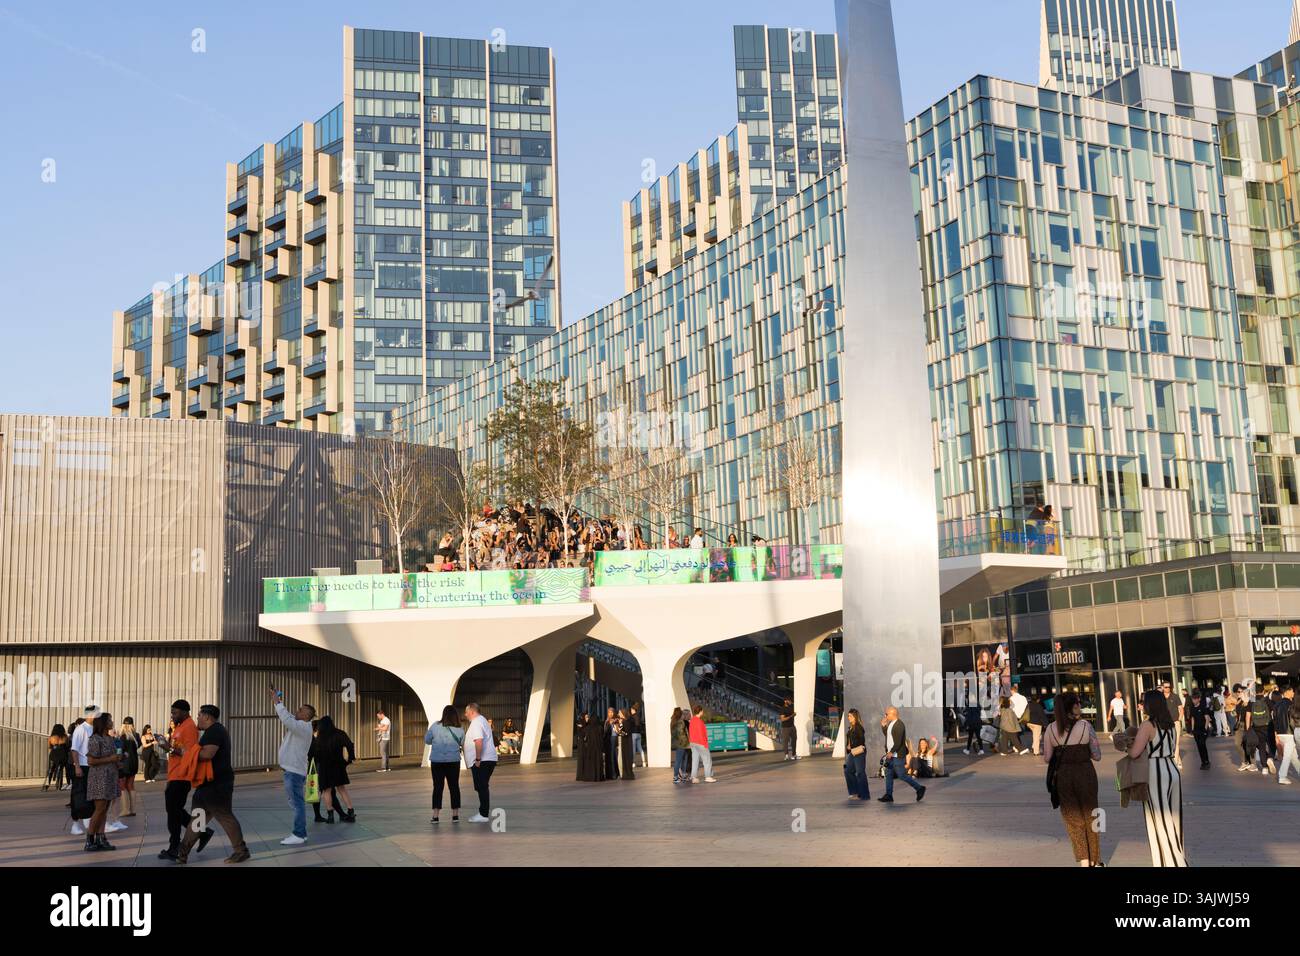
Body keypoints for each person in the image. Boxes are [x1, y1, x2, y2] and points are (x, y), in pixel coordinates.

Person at [176, 704, 250, 864]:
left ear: (207, 717)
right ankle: (182, 853)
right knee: (198, 819)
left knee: (224, 816)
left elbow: (207, 754)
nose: (197, 718)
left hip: (217, 784)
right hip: (207, 784)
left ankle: (241, 851)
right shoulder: (213, 731)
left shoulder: (215, 731)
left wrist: (188, 752)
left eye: (199, 715)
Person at [1041, 692, 1102, 866]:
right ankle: (1095, 861)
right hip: (1086, 774)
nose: (1080, 707)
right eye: (1077, 704)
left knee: (1073, 819)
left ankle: (1083, 861)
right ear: (1071, 708)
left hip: (1063, 777)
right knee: (1092, 816)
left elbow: (1047, 758)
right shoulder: (1085, 726)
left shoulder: (1051, 729)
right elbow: (1097, 756)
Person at [1127, 689, 1187, 867]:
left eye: (1144, 702)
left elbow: (1135, 752)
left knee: (1160, 819)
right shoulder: (1171, 724)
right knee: (1175, 818)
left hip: (1155, 771)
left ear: (1150, 705)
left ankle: (1174, 863)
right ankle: (1169, 860)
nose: (1142, 705)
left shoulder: (1147, 725)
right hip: (1171, 769)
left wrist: (1125, 745)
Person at [270, 686, 315, 846]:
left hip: (294, 773)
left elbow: (286, 718)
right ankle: (300, 834)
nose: (297, 710)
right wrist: (279, 701)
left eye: (300, 709)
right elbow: (288, 716)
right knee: (297, 803)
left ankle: (299, 834)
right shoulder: (301, 726)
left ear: (306, 716)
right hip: (293, 771)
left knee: (297, 804)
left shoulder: (302, 727)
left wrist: (277, 702)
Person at [157, 699, 200, 861]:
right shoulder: (180, 727)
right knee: (174, 811)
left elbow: (189, 753)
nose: (172, 715)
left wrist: (169, 748)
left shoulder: (189, 727)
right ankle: (201, 831)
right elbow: (177, 748)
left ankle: (174, 847)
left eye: (175, 712)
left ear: (184, 711)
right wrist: (167, 744)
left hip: (182, 776)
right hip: (174, 774)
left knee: (173, 813)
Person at [83, 713, 121, 852]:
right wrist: (111, 759)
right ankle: (90, 839)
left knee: (104, 810)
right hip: (99, 778)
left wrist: (118, 761)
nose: (112, 722)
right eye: (109, 720)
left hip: (110, 777)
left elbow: (111, 757)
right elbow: (91, 761)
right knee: (99, 810)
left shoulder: (109, 738)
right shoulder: (95, 739)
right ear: (103, 723)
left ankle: (101, 837)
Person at [311, 716, 357, 823]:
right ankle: (350, 812)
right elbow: (349, 745)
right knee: (342, 789)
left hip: (324, 767)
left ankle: (330, 816)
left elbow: (315, 753)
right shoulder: (340, 733)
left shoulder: (320, 737)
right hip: (338, 765)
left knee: (326, 791)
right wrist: (349, 759)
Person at [425, 705, 465, 821]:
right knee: (454, 787)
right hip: (453, 761)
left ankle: (435, 816)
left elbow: (427, 740)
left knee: (437, 787)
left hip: (437, 761)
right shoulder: (460, 729)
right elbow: (463, 742)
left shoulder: (435, 726)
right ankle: (455, 815)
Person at [878, 707, 925, 803]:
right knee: (888, 773)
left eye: (887, 714)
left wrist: (891, 752)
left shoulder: (899, 725)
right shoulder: (891, 724)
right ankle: (889, 795)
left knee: (901, 775)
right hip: (891, 754)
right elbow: (888, 736)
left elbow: (898, 742)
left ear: (893, 714)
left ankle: (919, 788)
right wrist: (883, 726)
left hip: (897, 754)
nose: (885, 716)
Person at [464, 702, 498, 822]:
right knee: (481, 786)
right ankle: (483, 813)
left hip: (482, 760)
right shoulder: (482, 720)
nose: (465, 714)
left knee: (482, 787)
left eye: (466, 712)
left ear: (472, 711)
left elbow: (478, 741)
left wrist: (478, 759)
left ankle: (483, 814)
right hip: (488, 759)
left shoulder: (477, 722)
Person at [69, 706, 96, 836]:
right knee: (78, 794)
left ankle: (88, 818)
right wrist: (77, 766)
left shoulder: (95, 729)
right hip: (83, 766)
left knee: (91, 794)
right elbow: (74, 749)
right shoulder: (81, 729)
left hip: (93, 766)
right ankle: (75, 823)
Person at [115, 717, 140, 820]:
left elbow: (119, 751)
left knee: (122, 785)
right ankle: (133, 809)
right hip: (134, 762)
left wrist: (117, 760)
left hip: (125, 763)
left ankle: (125, 810)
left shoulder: (122, 737)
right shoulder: (136, 736)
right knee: (131, 785)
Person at [843, 708, 870, 800]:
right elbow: (849, 741)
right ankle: (854, 792)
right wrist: (848, 747)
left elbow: (862, 741)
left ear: (855, 717)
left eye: (850, 716)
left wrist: (852, 746)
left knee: (860, 773)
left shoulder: (859, 727)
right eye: (848, 716)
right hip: (853, 752)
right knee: (848, 771)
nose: (848, 717)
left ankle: (865, 795)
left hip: (859, 752)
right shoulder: (851, 727)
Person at [1274, 686, 1298, 785]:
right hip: (1290, 733)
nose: (1293, 692)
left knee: (1294, 757)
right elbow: (1295, 720)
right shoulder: (1292, 705)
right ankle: (1282, 776)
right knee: (1287, 756)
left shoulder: (1276, 705)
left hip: (1280, 733)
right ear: (1287, 691)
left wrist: (1276, 735)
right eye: (1292, 690)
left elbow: (1274, 721)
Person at [1186, 689, 1214, 770]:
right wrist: (1192, 729)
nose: (1194, 700)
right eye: (1193, 699)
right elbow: (1193, 719)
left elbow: (1207, 718)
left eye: (1195, 699)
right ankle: (1203, 762)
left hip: (1203, 729)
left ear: (1199, 699)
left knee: (1202, 745)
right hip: (1196, 730)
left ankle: (1207, 761)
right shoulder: (1192, 708)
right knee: (1199, 746)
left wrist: (1205, 729)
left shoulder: (1203, 707)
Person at [688, 705, 716, 783]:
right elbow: (701, 734)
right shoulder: (699, 721)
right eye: (702, 711)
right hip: (700, 743)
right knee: (707, 760)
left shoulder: (692, 720)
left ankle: (694, 777)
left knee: (695, 760)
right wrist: (705, 744)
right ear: (700, 711)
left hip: (693, 743)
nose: (703, 712)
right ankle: (708, 776)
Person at [1161, 682, 1184, 771]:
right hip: (1165, 723)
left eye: (1169, 687)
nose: (1168, 688)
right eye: (1166, 687)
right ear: (1163, 688)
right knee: (1167, 743)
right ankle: (1178, 761)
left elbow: (1181, 708)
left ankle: (1175, 762)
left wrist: (1179, 719)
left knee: (1176, 742)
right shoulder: (1160, 697)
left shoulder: (1175, 696)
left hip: (1175, 722)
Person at [44, 724, 69, 792]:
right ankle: (58, 786)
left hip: (54, 754)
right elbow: (67, 746)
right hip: (62, 754)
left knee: (50, 770)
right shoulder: (65, 737)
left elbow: (49, 747)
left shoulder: (51, 737)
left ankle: (46, 786)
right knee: (60, 769)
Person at [670, 707, 691, 784]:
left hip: (679, 744)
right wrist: (687, 743)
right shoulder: (680, 722)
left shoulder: (674, 721)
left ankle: (683, 775)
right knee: (679, 760)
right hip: (682, 744)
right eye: (682, 714)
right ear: (680, 714)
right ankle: (675, 777)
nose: (683, 715)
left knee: (683, 759)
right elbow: (681, 734)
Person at [1008, 683, 1030, 754]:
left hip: (1014, 717)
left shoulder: (1011, 698)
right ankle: (1017, 746)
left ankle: (1018, 747)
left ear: (1012, 691)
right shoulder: (1023, 697)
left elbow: (1010, 708)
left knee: (1014, 733)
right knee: (1020, 732)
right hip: (1022, 717)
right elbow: (1027, 706)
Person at [616, 708, 635, 780]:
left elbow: (625, 732)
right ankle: (626, 774)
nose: (618, 714)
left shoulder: (627, 722)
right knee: (625, 758)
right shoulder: (624, 721)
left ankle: (628, 774)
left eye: (620, 713)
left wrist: (619, 727)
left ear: (623, 714)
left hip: (627, 742)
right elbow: (622, 731)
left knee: (626, 758)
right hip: (625, 741)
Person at [603, 707, 620, 780]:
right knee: (611, 757)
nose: (611, 714)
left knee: (615, 757)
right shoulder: (607, 721)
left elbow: (619, 731)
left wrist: (616, 723)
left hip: (615, 739)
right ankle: (612, 774)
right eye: (609, 712)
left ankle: (616, 773)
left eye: (612, 712)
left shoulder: (617, 720)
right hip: (609, 740)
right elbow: (605, 732)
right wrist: (609, 724)